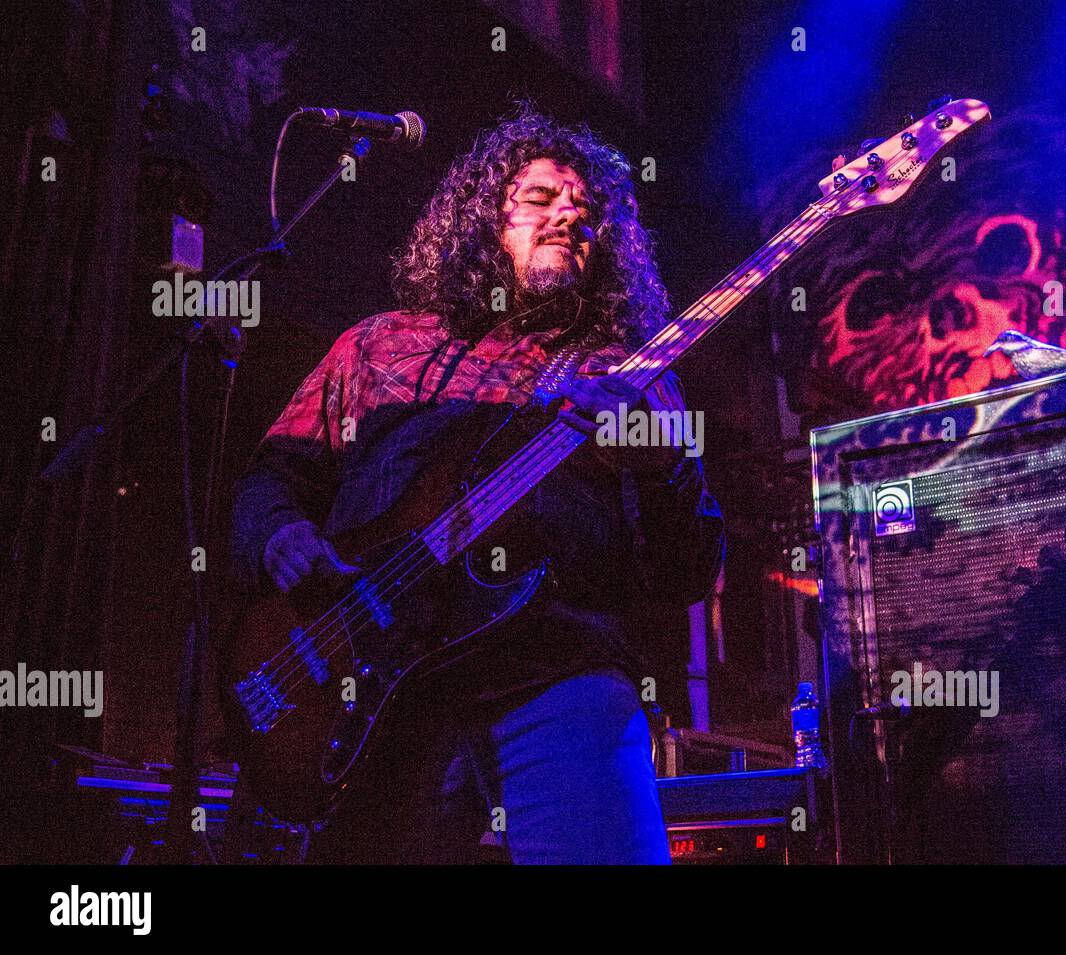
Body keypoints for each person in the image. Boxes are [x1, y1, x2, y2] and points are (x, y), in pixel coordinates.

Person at [229, 104, 724, 864]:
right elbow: (274, 472)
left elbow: (688, 568)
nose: (569, 216)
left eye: (587, 211)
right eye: (541, 197)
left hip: (555, 671)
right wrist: (279, 534)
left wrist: (664, 468)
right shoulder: (379, 345)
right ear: (484, 218)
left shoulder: (627, 373)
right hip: (381, 692)